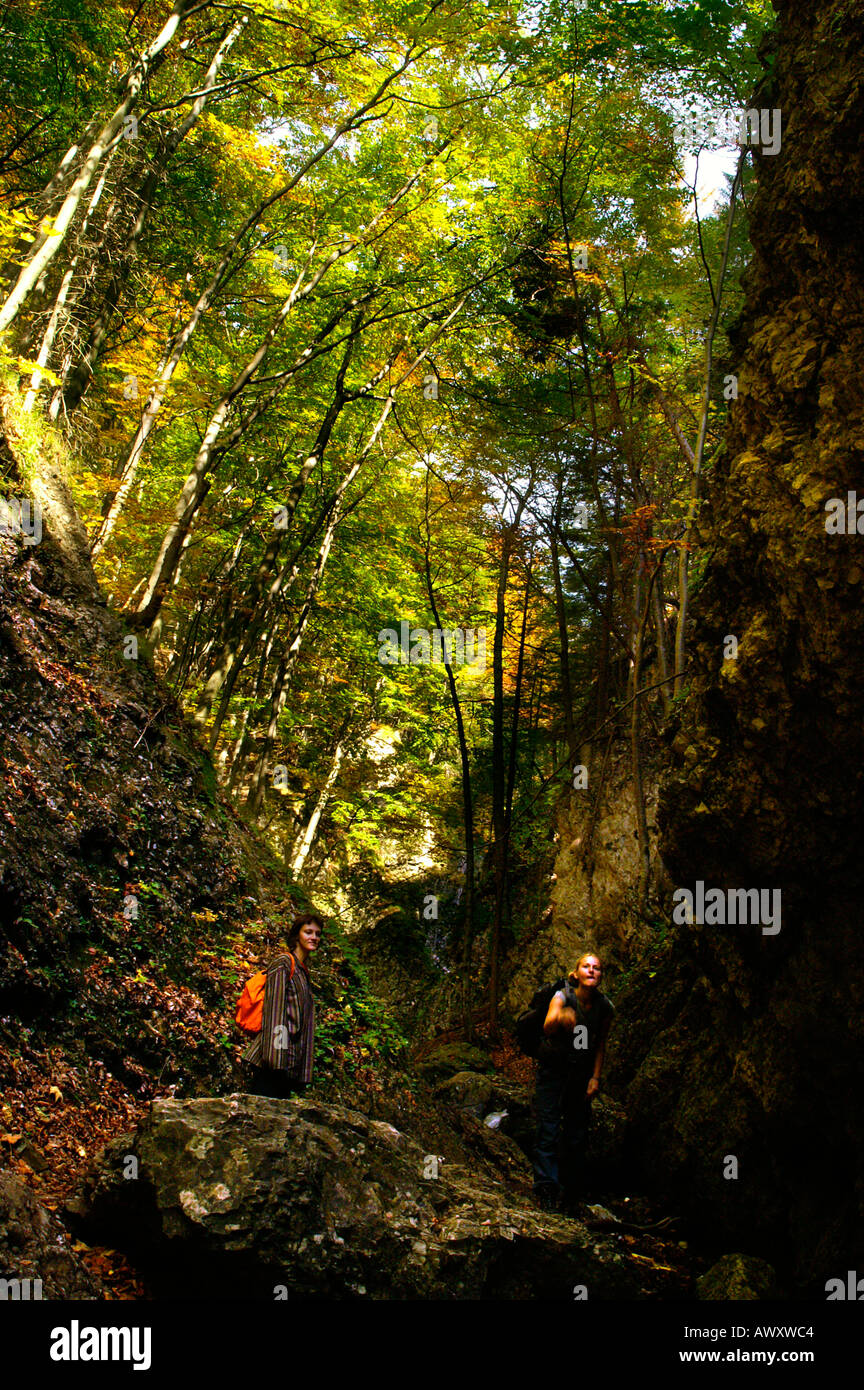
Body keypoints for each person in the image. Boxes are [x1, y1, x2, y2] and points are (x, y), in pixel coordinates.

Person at [532, 951, 614, 1212]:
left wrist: (595, 1078)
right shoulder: (563, 996)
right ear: (576, 973)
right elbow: (546, 1027)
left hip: (580, 1075)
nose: (592, 971)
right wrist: (561, 1017)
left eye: (597, 968)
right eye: (587, 966)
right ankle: (546, 1189)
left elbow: (600, 1044)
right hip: (553, 1071)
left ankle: (570, 1193)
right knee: (548, 1128)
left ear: (601, 976)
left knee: (576, 1134)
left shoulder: (605, 1008)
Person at [242, 913, 322, 1098]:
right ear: (297, 936)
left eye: (317, 934)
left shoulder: (303, 972)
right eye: (308, 932)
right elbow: (274, 1012)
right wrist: (276, 1060)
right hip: (273, 1062)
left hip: (289, 1064)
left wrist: (301, 1070)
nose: (314, 938)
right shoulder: (284, 963)